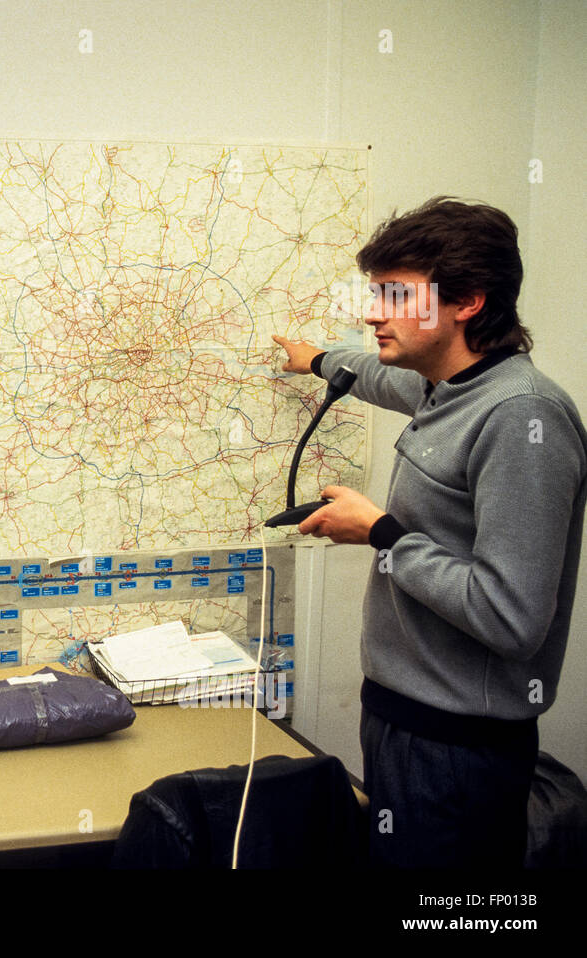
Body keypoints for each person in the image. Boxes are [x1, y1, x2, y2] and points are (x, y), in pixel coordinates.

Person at [273, 197, 586, 867]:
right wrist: (320, 360)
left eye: (394, 294)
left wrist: (381, 532)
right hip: (401, 718)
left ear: (468, 300)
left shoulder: (521, 419)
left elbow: (513, 617)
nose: (372, 311)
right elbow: (383, 378)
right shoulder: (448, 386)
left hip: (456, 750)